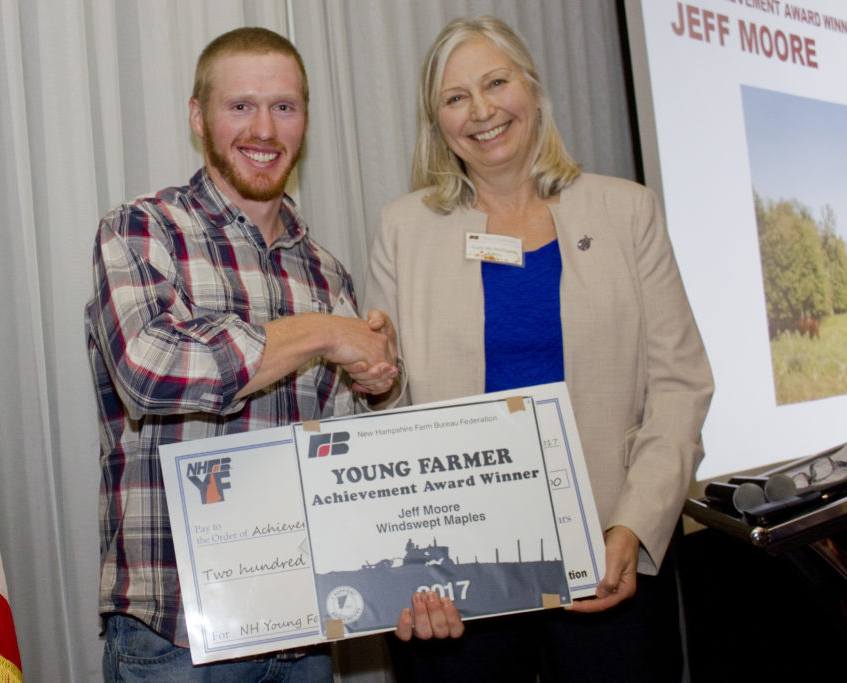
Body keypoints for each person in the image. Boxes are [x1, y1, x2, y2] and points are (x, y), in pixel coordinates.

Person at [366, 15, 714, 682]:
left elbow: (679, 386)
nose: (483, 110)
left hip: (607, 556)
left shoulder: (627, 212)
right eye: (455, 96)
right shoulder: (402, 229)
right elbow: (388, 406)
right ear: (436, 121)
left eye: (496, 82)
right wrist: (377, 380)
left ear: (532, 87)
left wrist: (634, 527)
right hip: (456, 579)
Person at [85, 27, 399, 682]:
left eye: (284, 107)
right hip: (177, 633)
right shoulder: (144, 230)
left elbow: (344, 450)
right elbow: (149, 371)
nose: (264, 128)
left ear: (305, 121)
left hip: (304, 628)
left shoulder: (325, 270)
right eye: (241, 106)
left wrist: (378, 384)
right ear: (199, 117)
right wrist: (321, 332)